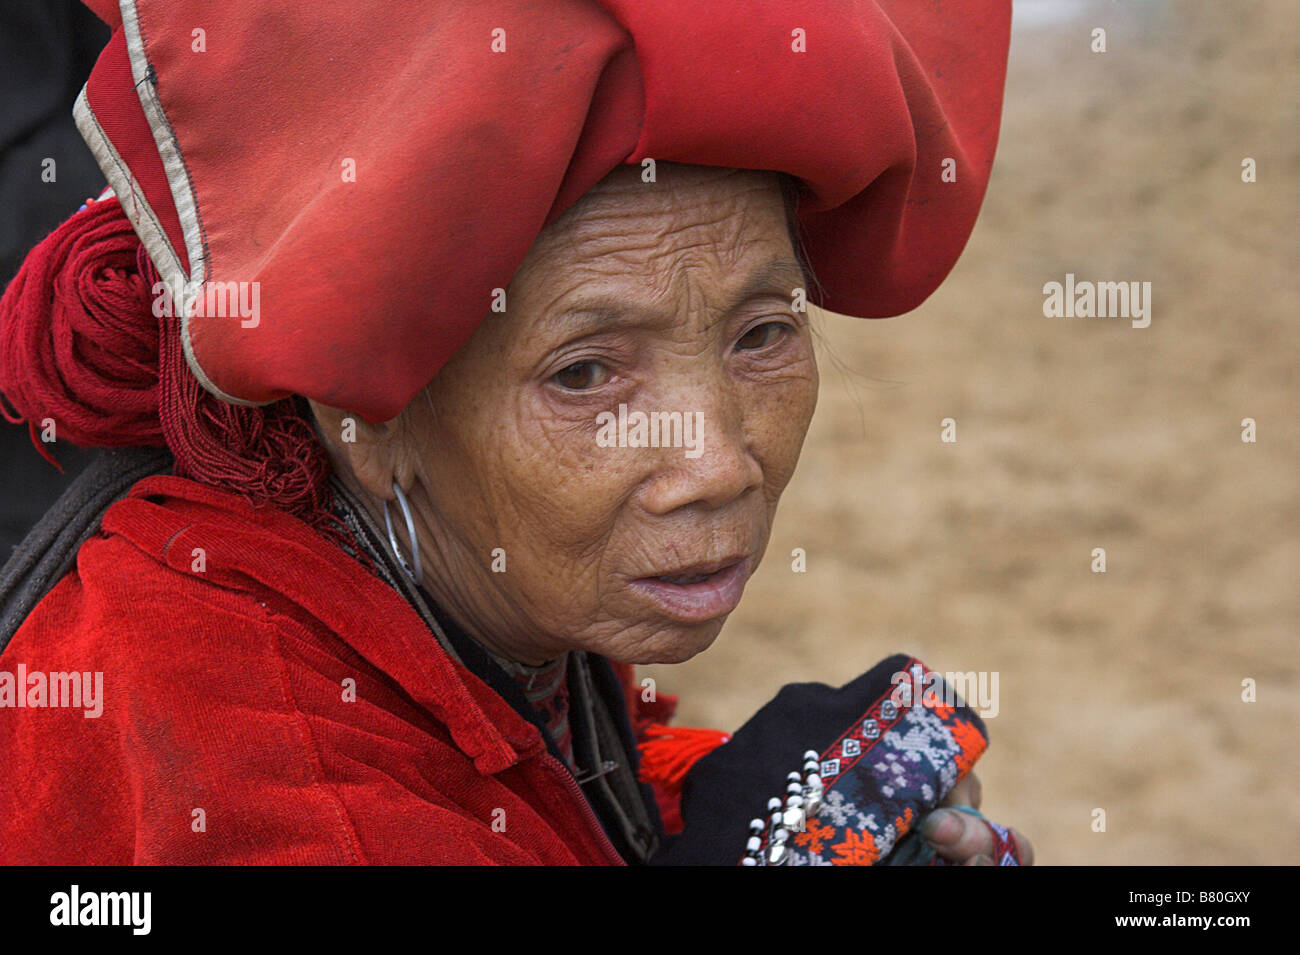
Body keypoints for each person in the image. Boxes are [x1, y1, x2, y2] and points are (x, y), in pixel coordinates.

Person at [0, 0, 1029, 865]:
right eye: (585, 373)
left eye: (760, 334)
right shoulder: (264, 767)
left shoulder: (469, 568)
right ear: (366, 416)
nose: (717, 462)